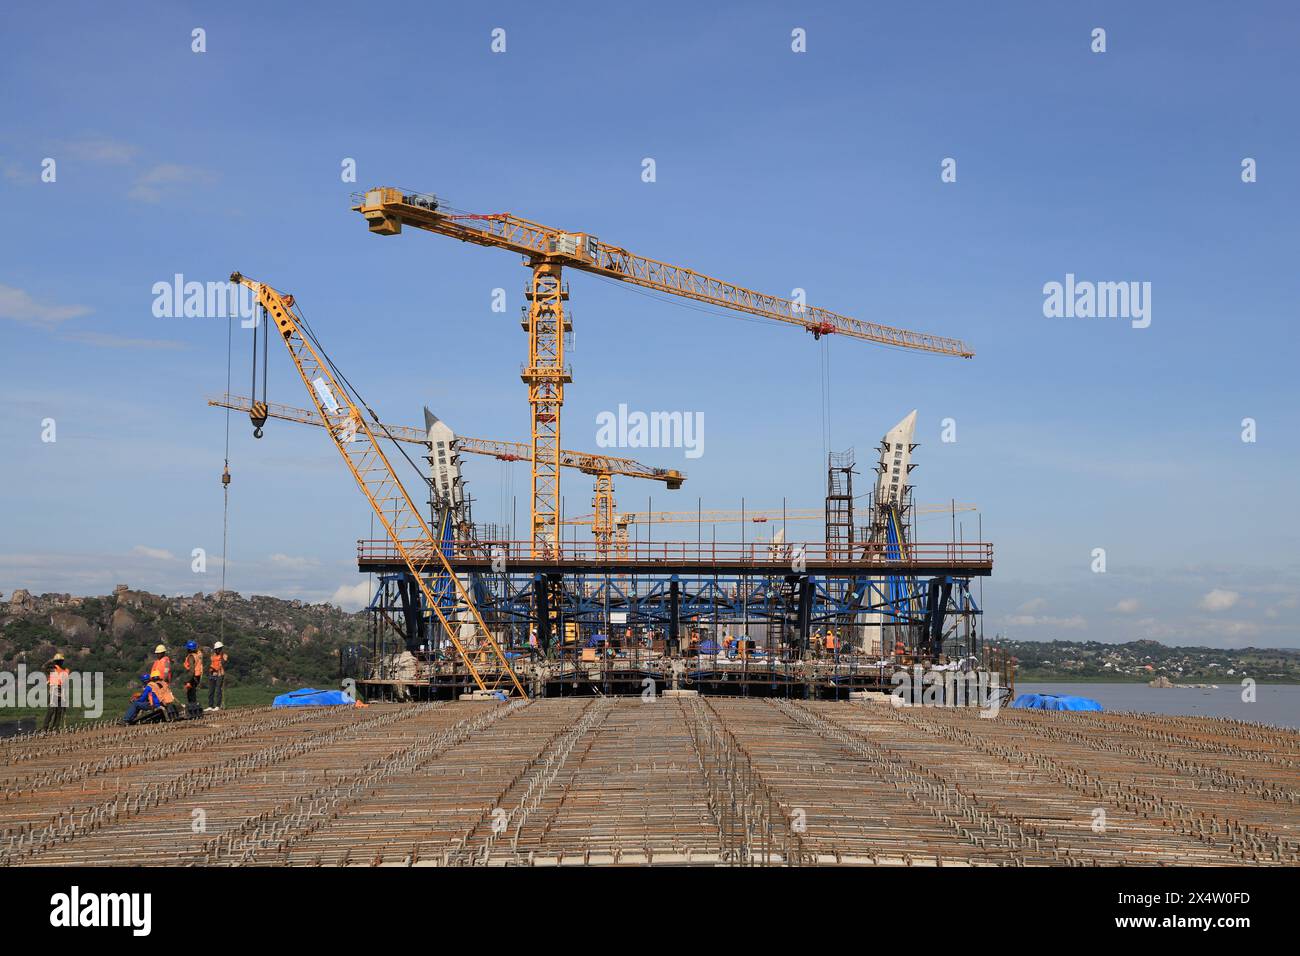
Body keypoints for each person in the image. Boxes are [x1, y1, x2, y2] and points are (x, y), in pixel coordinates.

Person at [43, 652, 70, 732]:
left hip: (62, 693)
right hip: (53, 693)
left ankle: (55, 728)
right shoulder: (52, 669)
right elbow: (44, 667)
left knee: (59, 712)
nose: (59, 662)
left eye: (60, 661)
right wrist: (50, 661)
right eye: (57, 661)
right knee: (51, 710)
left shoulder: (66, 671)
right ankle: (45, 728)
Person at [181, 640, 203, 714]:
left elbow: (192, 670)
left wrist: (187, 681)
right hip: (196, 677)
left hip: (192, 678)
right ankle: (195, 711)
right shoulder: (196, 656)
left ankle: (193, 711)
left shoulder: (191, 657)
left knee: (191, 695)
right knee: (193, 694)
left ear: (189, 649)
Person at [207, 641, 228, 711]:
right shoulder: (212, 655)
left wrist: (216, 670)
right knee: (211, 690)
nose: (218, 650)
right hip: (212, 674)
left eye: (220, 648)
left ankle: (218, 706)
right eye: (217, 649)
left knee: (218, 690)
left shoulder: (224, 655)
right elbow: (212, 664)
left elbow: (223, 663)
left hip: (219, 674)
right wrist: (211, 670)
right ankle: (210, 705)